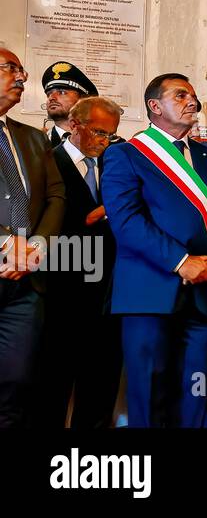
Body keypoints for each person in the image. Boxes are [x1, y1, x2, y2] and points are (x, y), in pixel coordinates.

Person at [101, 73, 207, 427]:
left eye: (193, 96)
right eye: (180, 95)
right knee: (150, 394)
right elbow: (127, 222)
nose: (191, 101)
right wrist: (181, 261)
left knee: (198, 390)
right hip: (150, 293)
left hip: (205, 291)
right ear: (155, 106)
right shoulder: (126, 155)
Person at [40, 96, 123, 428]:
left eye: (110, 136)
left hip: (107, 299)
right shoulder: (46, 161)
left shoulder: (115, 165)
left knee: (99, 393)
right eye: (99, 132)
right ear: (75, 125)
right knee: (51, 393)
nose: (104, 142)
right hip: (61, 295)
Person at [0, 48, 65, 427]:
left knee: (16, 385)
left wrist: (36, 248)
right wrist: (9, 244)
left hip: (27, 284)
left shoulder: (32, 139)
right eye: (11, 69)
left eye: (22, 70)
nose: (22, 77)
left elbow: (57, 196)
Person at [41, 62, 97, 147]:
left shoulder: (102, 142)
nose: (51, 97)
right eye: (49, 94)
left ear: (82, 100)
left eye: (62, 92)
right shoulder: (37, 143)